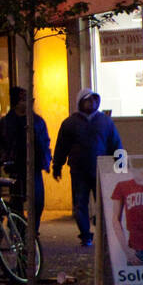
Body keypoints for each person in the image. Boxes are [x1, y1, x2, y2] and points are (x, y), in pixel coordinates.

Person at [52, 88, 122, 247]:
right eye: (88, 100)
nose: (92, 103)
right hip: (79, 170)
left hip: (101, 170)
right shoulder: (70, 123)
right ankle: (85, 234)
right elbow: (62, 146)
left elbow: (115, 143)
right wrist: (57, 165)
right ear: (80, 103)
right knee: (80, 203)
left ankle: (104, 232)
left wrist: (120, 164)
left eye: (94, 100)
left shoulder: (105, 121)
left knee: (104, 202)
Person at [0, 87, 51, 234]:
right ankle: (18, 229)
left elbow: (44, 141)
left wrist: (46, 159)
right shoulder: (6, 122)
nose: (28, 103)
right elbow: (0, 143)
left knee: (37, 201)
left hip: (34, 166)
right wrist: (5, 158)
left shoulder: (37, 121)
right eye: (24, 99)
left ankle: (32, 229)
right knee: (17, 201)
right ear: (16, 102)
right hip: (16, 167)